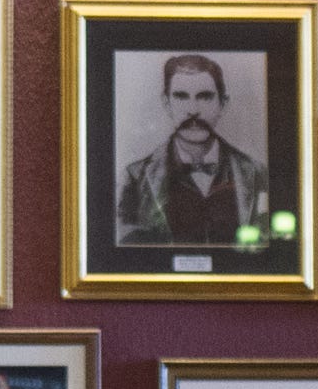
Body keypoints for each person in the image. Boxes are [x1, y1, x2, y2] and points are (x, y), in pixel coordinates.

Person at [115, 54, 272, 247]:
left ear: (222, 103)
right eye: (181, 96)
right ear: (166, 103)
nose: (193, 110)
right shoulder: (133, 179)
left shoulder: (257, 173)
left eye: (205, 97)